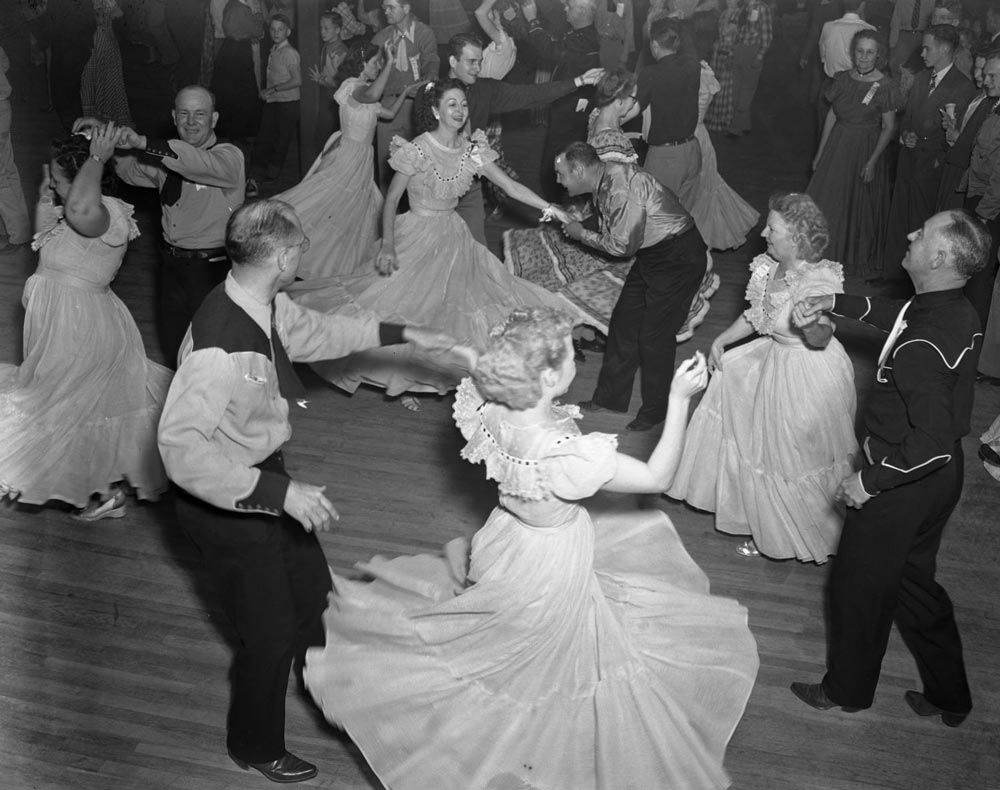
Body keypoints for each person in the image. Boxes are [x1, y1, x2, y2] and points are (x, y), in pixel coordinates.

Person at [303, 307, 758, 790]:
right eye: (568, 356)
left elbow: (481, 372)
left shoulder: (491, 406)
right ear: (545, 375)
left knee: (510, 630)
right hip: (551, 561)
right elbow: (657, 477)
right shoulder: (566, 452)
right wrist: (679, 399)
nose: (575, 363)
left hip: (506, 539)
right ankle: (527, 734)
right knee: (548, 651)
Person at [157, 198, 458, 785]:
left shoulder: (260, 302)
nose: (303, 255)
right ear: (284, 256)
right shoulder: (224, 346)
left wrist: (402, 331)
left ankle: (340, 699)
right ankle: (254, 744)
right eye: (301, 247)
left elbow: (317, 331)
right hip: (229, 502)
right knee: (268, 635)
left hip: (264, 482)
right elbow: (180, 450)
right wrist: (278, 495)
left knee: (316, 600)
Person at [789, 208, 989, 726]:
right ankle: (950, 695)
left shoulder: (923, 345)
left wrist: (869, 482)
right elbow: (896, 316)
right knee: (914, 588)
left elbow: (934, 442)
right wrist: (836, 301)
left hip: (902, 481)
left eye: (921, 233)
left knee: (855, 590)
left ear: (940, 257)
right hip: (938, 485)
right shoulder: (950, 308)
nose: (909, 232)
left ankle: (847, 691)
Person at [289, 80, 572, 407]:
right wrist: (387, 246)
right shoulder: (417, 149)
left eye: (463, 105)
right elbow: (392, 200)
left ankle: (420, 376)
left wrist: (551, 209)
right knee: (402, 307)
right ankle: (399, 375)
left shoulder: (472, 149)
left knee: (448, 308)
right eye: (452, 104)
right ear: (436, 111)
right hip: (415, 234)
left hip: (453, 236)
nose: (460, 111)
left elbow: (510, 186)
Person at [667, 193, 857, 561]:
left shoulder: (818, 279)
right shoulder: (768, 267)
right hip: (775, 359)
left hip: (810, 371)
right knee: (765, 447)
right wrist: (721, 339)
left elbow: (823, 334)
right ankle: (772, 528)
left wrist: (811, 327)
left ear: (798, 237)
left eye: (773, 228)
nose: (764, 232)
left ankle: (817, 533)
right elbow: (758, 315)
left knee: (798, 455)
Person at [0, 127, 171, 519]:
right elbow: (51, 243)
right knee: (77, 407)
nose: (57, 189)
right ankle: (104, 493)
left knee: (64, 407)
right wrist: (46, 198)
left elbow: (78, 212)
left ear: (81, 180)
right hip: (64, 326)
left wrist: (96, 157)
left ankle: (99, 493)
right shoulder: (76, 210)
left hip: (81, 330)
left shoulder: (106, 214)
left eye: (60, 181)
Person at [504, 69, 720, 342]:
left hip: (592, 209)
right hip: (608, 217)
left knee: (576, 281)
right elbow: (623, 194)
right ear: (618, 100)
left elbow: (618, 115)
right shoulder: (613, 143)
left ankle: (578, 334)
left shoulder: (597, 116)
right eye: (631, 99)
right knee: (598, 285)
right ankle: (578, 334)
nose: (633, 104)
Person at [79, 85, 246, 368]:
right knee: (175, 348)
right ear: (173, 117)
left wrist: (144, 142)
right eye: (184, 114)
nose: (191, 122)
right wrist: (105, 139)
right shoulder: (165, 159)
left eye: (200, 114)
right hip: (171, 268)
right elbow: (131, 170)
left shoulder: (228, 158)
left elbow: (195, 163)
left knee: (213, 354)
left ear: (214, 119)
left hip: (213, 270)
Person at [560, 141, 708, 432]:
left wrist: (581, 234)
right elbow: (618, 219)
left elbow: (622, 246)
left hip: (678, 258)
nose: (558, 181)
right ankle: (611, 398)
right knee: (624, 323)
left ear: (579, 171)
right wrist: (584, 222)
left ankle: (657, 410)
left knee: (654, 337)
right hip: (656, 254)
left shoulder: (618, 187)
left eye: (561, 174)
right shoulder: (607, 176)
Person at [276, 40, 425, 280]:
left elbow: (388, 114)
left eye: (379, 63)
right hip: (348, 155)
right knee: (327, 202)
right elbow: (374, 92)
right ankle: (282, 237)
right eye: (375, 63)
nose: (377, 67)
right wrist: (389, 62)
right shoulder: (353, 86)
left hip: (362, 159)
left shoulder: (366, 91)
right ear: (362, 63)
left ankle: (333, 264)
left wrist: (406, 92)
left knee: (352, 212)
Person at [445, 31, 605, 243]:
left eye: (480, 62)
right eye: (471, 62)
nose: (478, 68)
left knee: (473, 247)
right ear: (453, 61)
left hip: (470, 185)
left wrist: (578, 81)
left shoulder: (484, 90)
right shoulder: (431, 96)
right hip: (439, 187)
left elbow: (530, 95)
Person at [881, 25, 975, 283]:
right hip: (908, 161)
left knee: (921, 224)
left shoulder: (964, 88)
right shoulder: (922, 78)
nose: (922, 53)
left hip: (931, 167)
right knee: (899, 216)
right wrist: (906, 133)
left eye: (927, 47)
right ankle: (891, 276)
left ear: (945, 49)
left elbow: (959, 137)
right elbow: (908, 118)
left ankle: (913, 281)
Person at [807, 30, 901, 278]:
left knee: (858, 206)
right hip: (838, 146)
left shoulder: (886, 86)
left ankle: (850, 260)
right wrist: (820, 153)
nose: (864, 57)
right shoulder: (841, 79)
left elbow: (889, 127)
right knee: (829, 201)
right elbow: (832, 115)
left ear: (878, 55)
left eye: (870, 52)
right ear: (853, 52)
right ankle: (825, 254)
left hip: (866, 150)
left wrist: (872, 162)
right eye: (860, 51)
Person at [519, 0, 602, 199]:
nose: (565, 9)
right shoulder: (580, 34)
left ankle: (556, 205)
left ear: (581, 11)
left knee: (557, 158)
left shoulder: (584, 40)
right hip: (569, 105)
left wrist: (532, 20)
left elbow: (549, 50)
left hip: (571, 109)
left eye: (569, 6)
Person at [689, 59, 759, 250]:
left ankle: (698, 236)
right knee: (704, 185)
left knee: (701, 186)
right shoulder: (706, 74)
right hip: (700, 135)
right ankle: (699, 235)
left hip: (690, 136)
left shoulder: (695, 76)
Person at [371, 0, 439, 188]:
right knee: (387, 165)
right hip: (387, 106)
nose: (385, 11)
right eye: (384, 7)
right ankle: (388, 212)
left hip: (415, 105)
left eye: (391, 7)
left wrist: (428, 81)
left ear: (406, 8)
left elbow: (431, 61)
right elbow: (368, 68)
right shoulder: (381, 38)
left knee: (417, 167)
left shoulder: (424, 33)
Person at [635, 16, 701, 210]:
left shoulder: (651, 74)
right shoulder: (692, 66)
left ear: (654, 44)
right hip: (692, 151)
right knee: (684, 216)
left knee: (652, 215)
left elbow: (631, 110)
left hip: (666, 158)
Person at [959, 51, 1000, 329]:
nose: (985, 81)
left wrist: (984, 214)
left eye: (993, 76)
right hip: (979, 200)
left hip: (990, 208)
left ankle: (975, 345)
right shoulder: (995, 107)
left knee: (981, 283)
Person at [247, 14, 301, 192]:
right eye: (273, 29)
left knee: (281, 140)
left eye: (280, 29)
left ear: (288, 31)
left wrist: (272, 90)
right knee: (265, 137)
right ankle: (256, 175)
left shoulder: (290, 53)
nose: (276, 33)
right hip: (274, 101)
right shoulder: (275, 49)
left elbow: (297, 80)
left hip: (287, 103)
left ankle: (272, 174)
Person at [704, 0, 773, 137]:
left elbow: (767, 36)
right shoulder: (745, 8)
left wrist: (759, 56)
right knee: (735, 90)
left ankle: (737, 127)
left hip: (752, 52)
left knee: (746, 92)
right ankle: (742, 124)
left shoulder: (763, 8)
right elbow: (738, 32)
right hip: (739, 50)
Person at [935, 49, 990, 213]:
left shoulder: (992, 105)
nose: (978, 75)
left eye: (984, 70)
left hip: (966, 173)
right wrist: (952, 127)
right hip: (953, 167)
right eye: (976, 69)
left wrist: (958, 137)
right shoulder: (976, 95)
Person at [211, 0, 264, 147]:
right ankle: (241, 133)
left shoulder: (230, 5)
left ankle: (226, 130)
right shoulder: (244, 9)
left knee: (227, 93)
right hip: (241, 51)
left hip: (227, 49)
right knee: (244, 93)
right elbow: (258, 31)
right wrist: (258, 15)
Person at [80, 0, 133, 127]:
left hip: (103, 42)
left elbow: (118, 15)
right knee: (93, 81)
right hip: (96, 43)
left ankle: (104, 122)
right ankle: (96, 121)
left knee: (106, 82)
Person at [0, 43, 30, 254]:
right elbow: (5, 63)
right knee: (8, 171)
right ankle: (19, 229)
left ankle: (17, 234)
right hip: (3, 108)